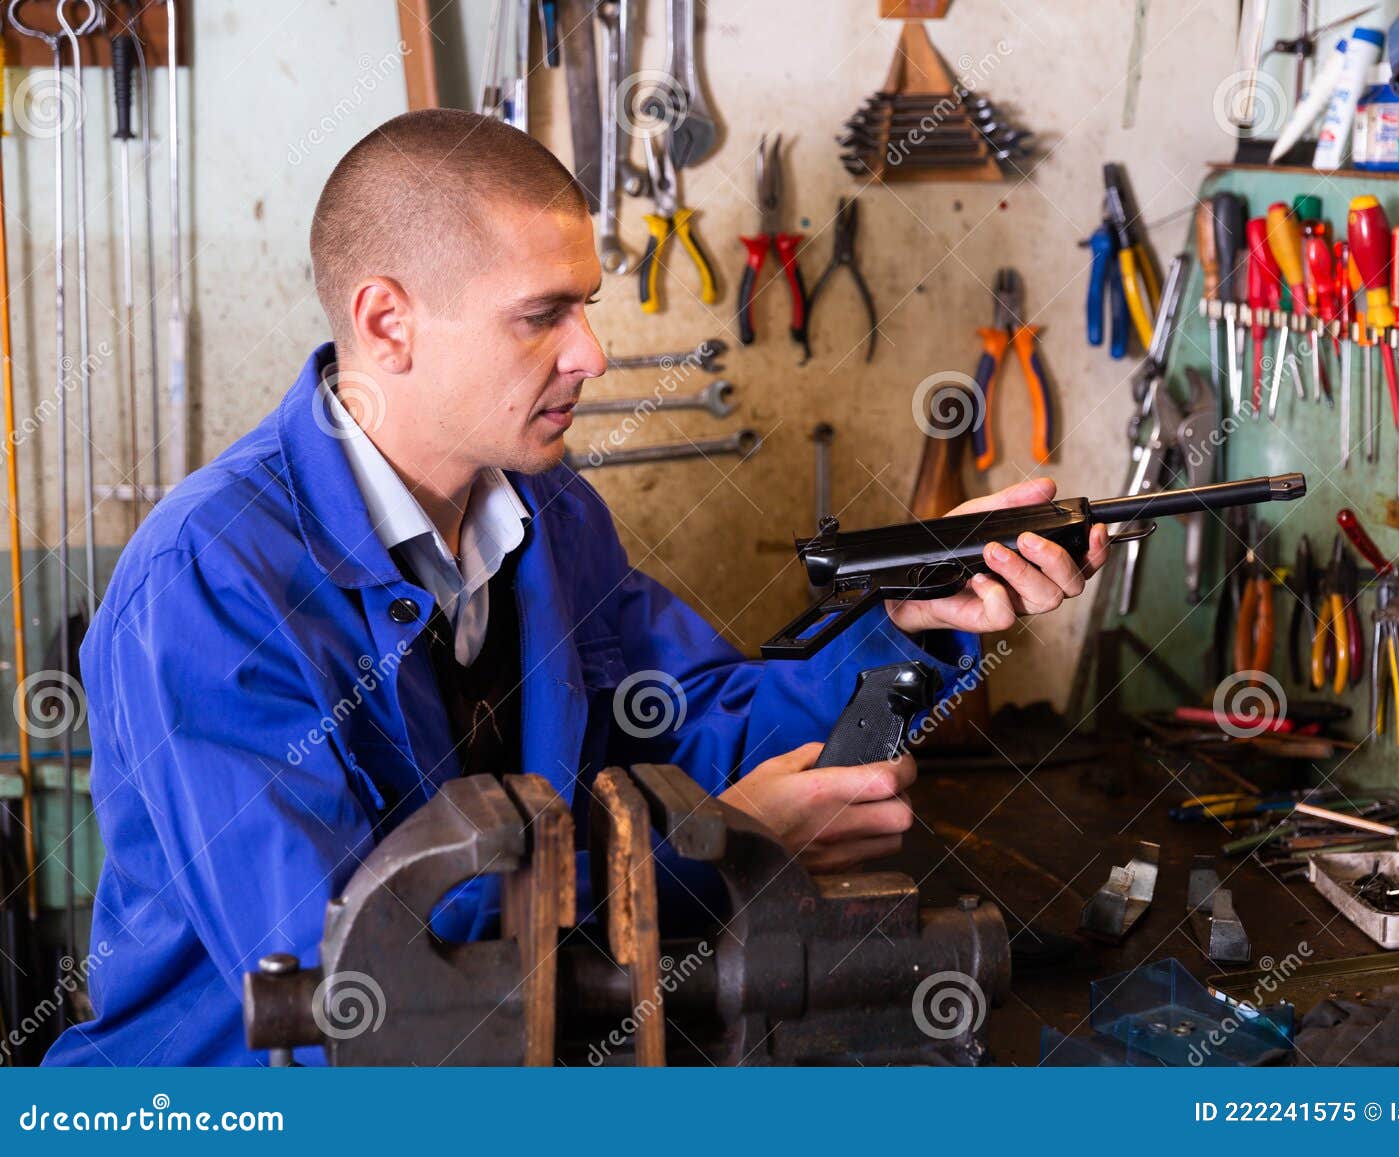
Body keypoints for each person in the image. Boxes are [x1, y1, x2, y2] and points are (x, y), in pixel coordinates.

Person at [45, 111, 1107, 1066]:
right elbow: (359, 985)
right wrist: (711, 850)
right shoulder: (209, 585)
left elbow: (699, 726)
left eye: (586, 307)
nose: (592, 354)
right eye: (541, 315)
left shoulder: (549, 515)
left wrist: (912, 624)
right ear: (387, 322)